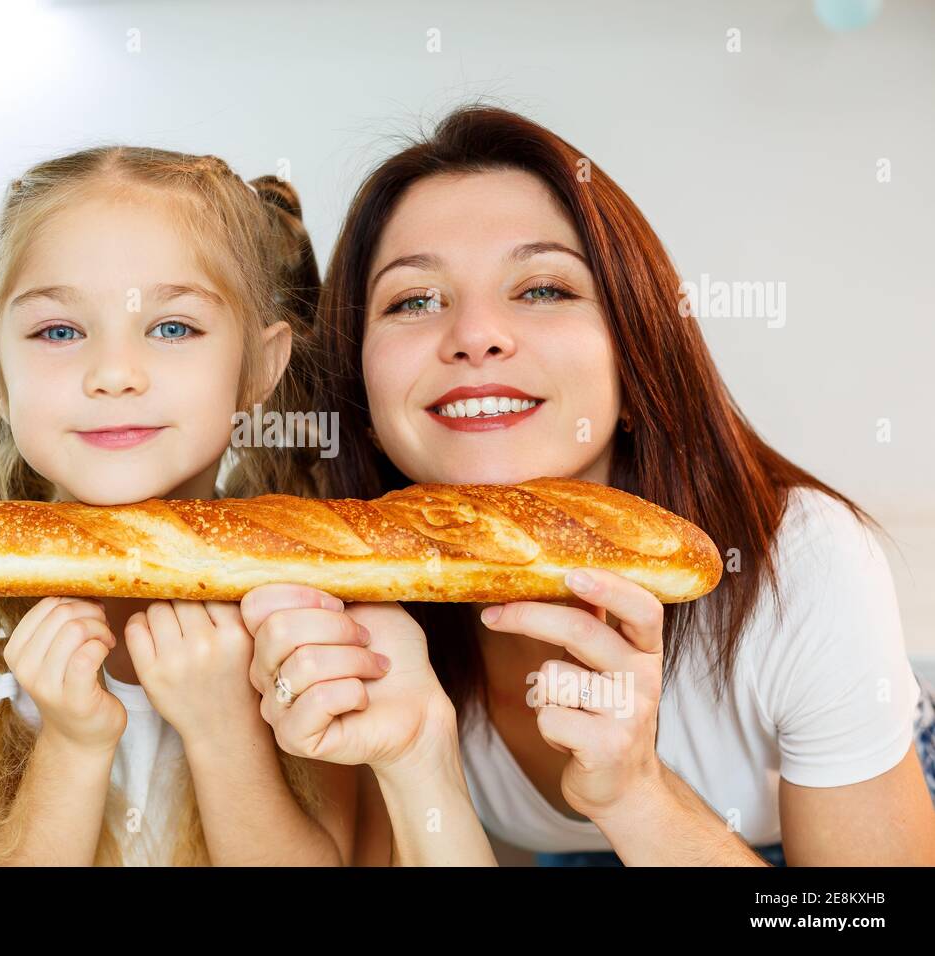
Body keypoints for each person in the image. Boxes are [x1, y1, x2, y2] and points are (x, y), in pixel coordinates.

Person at [240, 105, 935, 866]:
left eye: (541, 288)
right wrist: (420, 764)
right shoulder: (345, 605)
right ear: (363, 400)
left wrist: (636, 795)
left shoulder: (799, 562)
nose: (475, 334)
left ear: (636, 363)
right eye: (415, 300)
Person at [0, 145, 356, 865]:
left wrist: (225, 728)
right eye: (59, 332)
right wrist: (73, 740)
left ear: (260, 366)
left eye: (172, 328)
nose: (114, 373)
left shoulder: (313, 613)